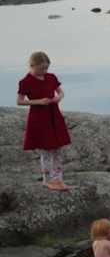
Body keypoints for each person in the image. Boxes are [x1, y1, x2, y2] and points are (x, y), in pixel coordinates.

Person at [16, 51, 72, 191]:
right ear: (32, 65)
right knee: (46, 150)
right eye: (41, 68)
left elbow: (61, 92)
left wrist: (59, 97)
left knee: (58, 149)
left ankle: (58, 179)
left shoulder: (51, 77)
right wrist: (38, 101)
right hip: (39, 118)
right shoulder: (25, 82)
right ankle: (47, 180)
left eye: (46, 68)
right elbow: (19, 101)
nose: (44, 71)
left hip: (54, 115)